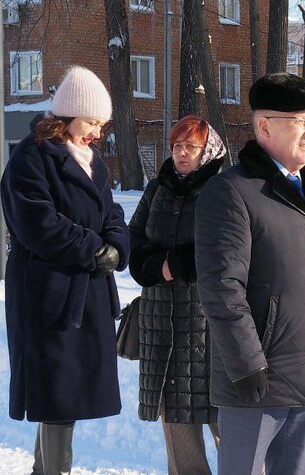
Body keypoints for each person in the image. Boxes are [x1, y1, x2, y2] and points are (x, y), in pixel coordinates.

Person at [194, 73, 305, 475]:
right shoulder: (231, 192)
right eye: (300, 121)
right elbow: (222, 288)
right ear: (265, 126)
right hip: (257, 381)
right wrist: (247, 363)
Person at [1, 65, 129, 475]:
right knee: (57, 395)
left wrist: (117, 245)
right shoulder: (32, 157)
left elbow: (111, 212)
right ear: (69, 114)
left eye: (101, 125)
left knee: (64, 398)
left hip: (84, 295)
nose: (97, 133)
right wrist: (94, 249)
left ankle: (46, 471)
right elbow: (38, 223)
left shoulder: (91, 161)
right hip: (49, 296)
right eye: (91, 122)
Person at [128, 116, 228, 475]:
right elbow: (134, 236)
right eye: (176, 146)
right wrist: (154, 266)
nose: (182, 153)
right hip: (163, 326)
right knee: (177, 426)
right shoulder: (157, 188)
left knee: (231, 429)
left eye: (190, 147)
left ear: (208, 151)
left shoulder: (223, 189)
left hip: (209, 324)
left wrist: (180, 264)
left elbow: (229, 246)